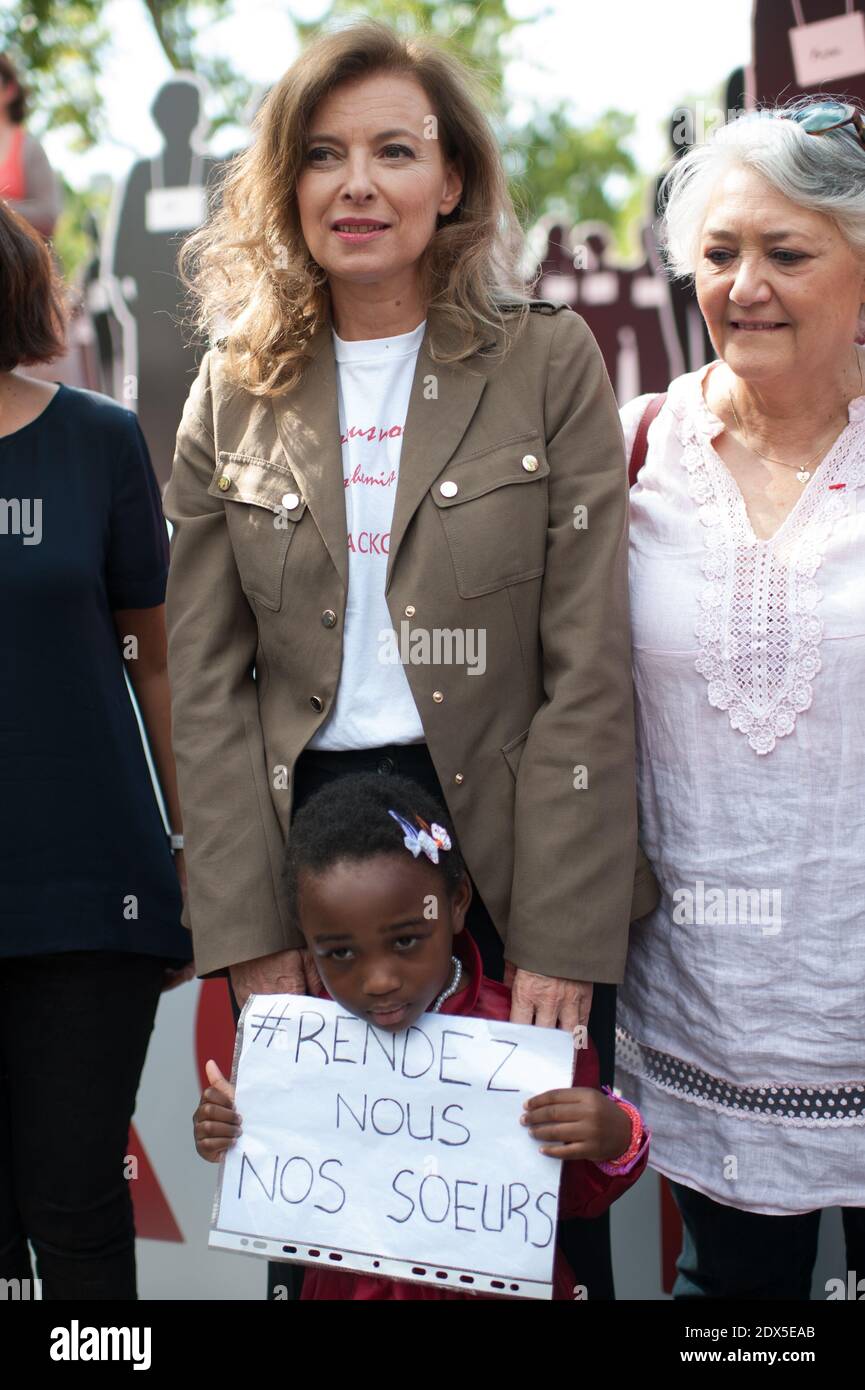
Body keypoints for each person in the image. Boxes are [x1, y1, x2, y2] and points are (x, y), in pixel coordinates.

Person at [165, 17, 657, 1300]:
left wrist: (559, 934)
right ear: (287, 186)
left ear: (452, 182)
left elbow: (586, 671)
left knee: (535, 1229)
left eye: (395, 149)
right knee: (328, 1240)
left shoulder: (547, 361)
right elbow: (208, 693)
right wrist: (248, 935)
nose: (358, 184)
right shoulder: (232, 386)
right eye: (323, 155)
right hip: (314, 874)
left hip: (503, 851)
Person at [617, 97, 865, 1300]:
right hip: (700, 1015)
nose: (744, 285)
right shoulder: (629, 454)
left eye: (788, 252)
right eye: (718, 254)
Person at [193, 772, 650, 1301]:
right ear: (305, 940)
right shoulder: (301, 1048)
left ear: (456, 904)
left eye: (406, 940)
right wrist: (227, 1131)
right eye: (339, 953)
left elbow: (569, 1199)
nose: (380, 980)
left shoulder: (526, 1035)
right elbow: (279, 1185)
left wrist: (614, 1137)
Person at [0, 200, 193, 1299]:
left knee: (75, 1208)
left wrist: (193, 848)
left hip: (89, 897)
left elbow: (154, 663)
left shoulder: (99, 441)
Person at [0, 53, 61, 238]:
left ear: (9, 90)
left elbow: (48, 216)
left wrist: (3, 210)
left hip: (17, 263)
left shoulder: (29, 148)